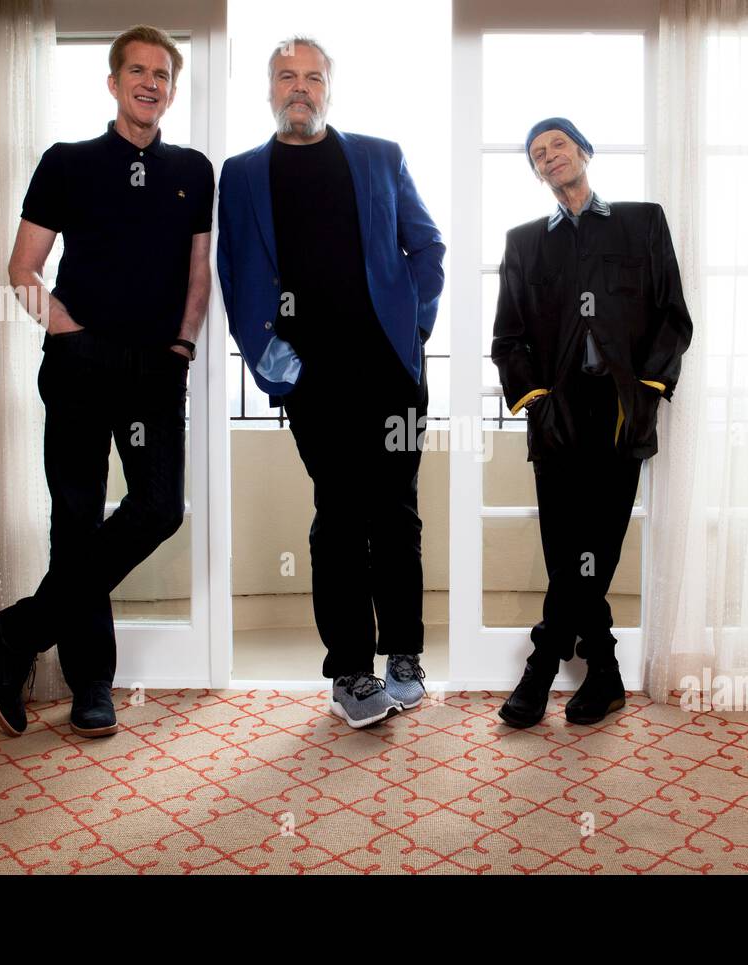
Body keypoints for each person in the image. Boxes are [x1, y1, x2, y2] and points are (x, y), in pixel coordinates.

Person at [0, 25, 214, 738]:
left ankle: (19, 628)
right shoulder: (67, 162)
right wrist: (62, 329)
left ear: (172, 88)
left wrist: (182, 343)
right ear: (113, 83)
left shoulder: (193, 169)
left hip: (156, 369)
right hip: (79, 366)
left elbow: (198, 270)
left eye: (163, 73)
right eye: (137, 70)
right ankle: (92, 685)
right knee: (74, 519)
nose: (150, 82)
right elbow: (23, 265)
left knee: (159, 507)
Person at [216, 37, 445, 728]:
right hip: (314, 381)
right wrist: (281, 369)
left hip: (392, 373)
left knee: (397, 511)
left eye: (313, 77)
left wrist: (415, 329)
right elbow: (239, 275)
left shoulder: (380, 155)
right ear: (269, 90)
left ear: (329, 90)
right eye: (287, 76)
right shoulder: (244, 173)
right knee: (340, 514)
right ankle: (350, 669)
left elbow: (427, 245)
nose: (300, 87)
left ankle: (404, 653)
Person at [491, 117, 693, 728]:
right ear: (536, 173)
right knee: (565, 549)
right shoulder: (526, 242)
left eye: (558, 145)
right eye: (536, 154)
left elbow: (673, 317)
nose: (549, 156)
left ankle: (545, 662)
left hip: (619, 410)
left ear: (583, 152)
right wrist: (536, 400)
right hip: (557, 413)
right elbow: (509, 338)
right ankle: (602, 671)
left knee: (595, 546)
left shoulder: (642, 222)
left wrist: (648, 391)